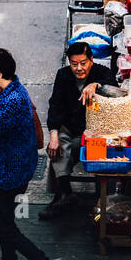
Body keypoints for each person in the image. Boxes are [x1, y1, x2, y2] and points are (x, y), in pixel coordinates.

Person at [0, 47, 70, 260]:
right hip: (11, 168)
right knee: (3, 222)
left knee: (5, 227)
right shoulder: (14, 88)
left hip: (9, 172)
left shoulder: (9, 101)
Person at [40, 41, 117, 220]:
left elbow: (114, 87)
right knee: (57, 146)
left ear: (91, 60)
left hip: (94, 129)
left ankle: (101, 199)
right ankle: (64, 194)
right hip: (69, 127)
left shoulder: (101, 72)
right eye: (74, 64)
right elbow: (55, 106)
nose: (79, 68)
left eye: (83, 63)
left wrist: (96, 85)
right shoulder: (63, 75)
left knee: (96, 149)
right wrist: (53, 135)